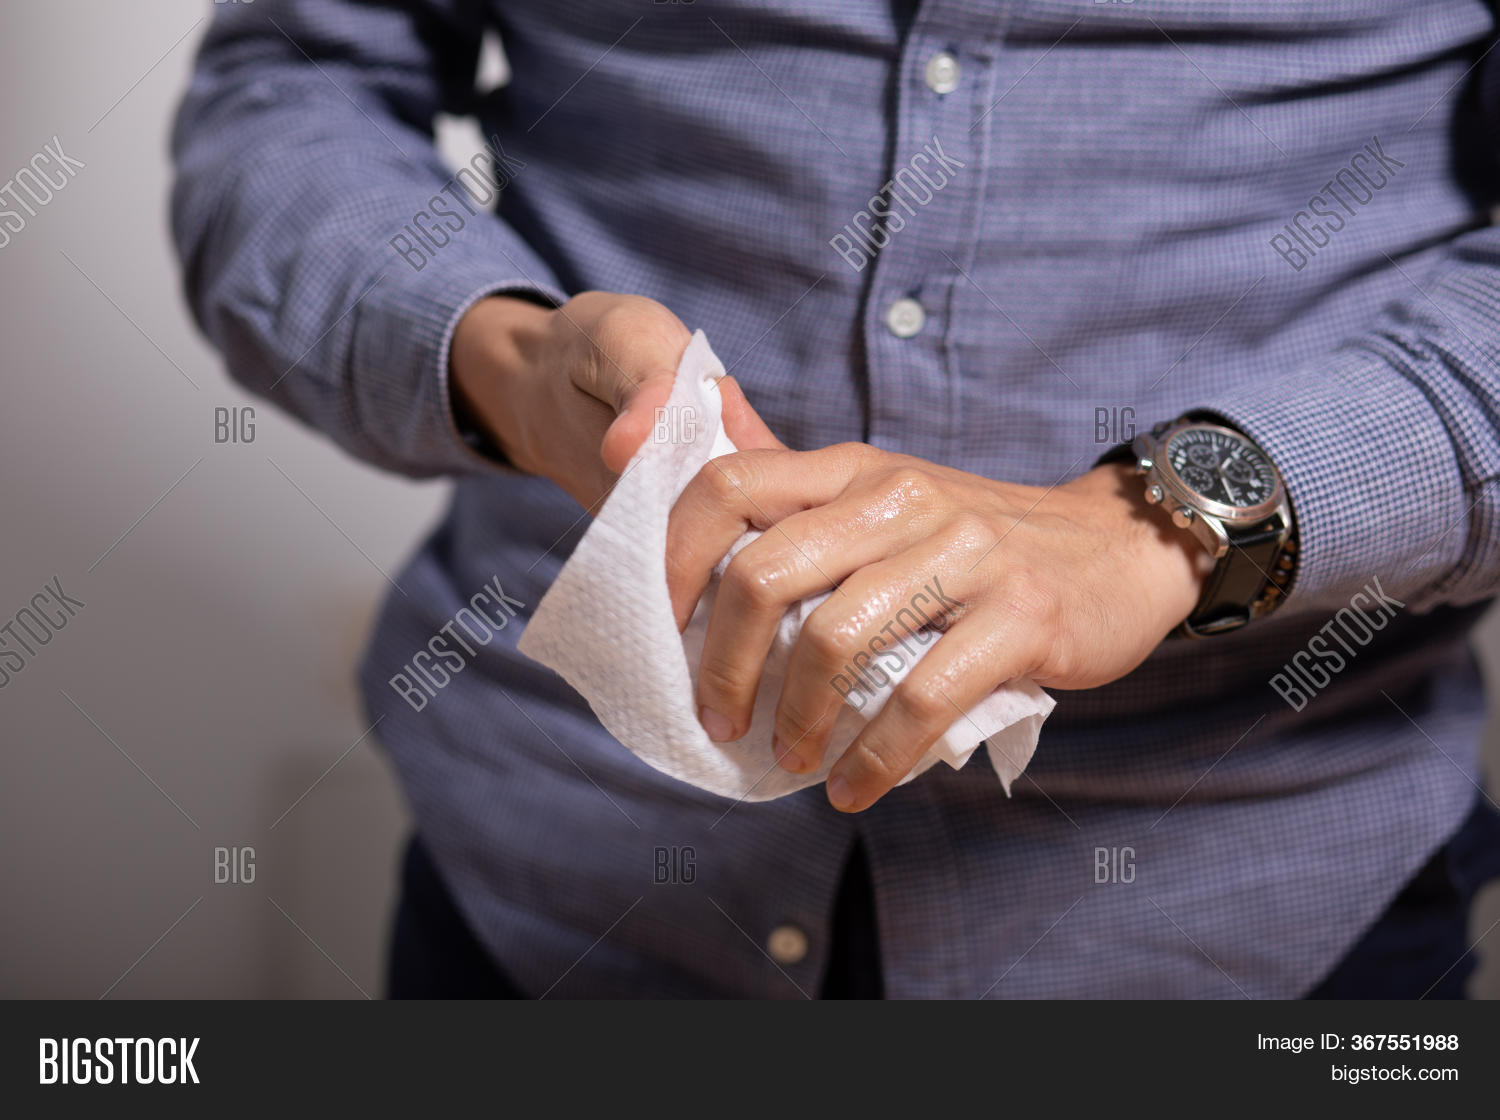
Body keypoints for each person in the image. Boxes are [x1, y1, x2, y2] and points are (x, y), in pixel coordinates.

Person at [172, 0, 1500, 998]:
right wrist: (502, 360)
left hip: (1274, 911)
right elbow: (290, 90)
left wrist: (1172, 518)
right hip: (555, 898)